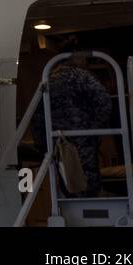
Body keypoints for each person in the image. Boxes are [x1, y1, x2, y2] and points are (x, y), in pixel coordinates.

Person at [33, 50, 112, 197]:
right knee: (88, 182)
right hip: (83, 139)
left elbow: (37, 116)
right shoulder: (82, 77)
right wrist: (95, 128)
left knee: (67, 181)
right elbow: (104, 102)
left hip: (58, 142)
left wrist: (42, 145)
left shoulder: (47, 81)